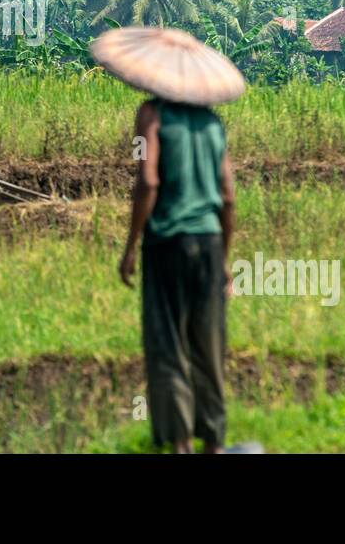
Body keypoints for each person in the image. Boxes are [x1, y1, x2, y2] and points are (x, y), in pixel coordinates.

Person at [119, 96, 235, 454]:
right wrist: (224, 262)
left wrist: (130, 247)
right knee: (209, 345)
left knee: (168, 345)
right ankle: (214, 442)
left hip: (166, 244)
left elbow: (148, 181)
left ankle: (181, 444)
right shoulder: (213, 122)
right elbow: (228, 197)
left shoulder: (151, 115)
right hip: (210, 245)